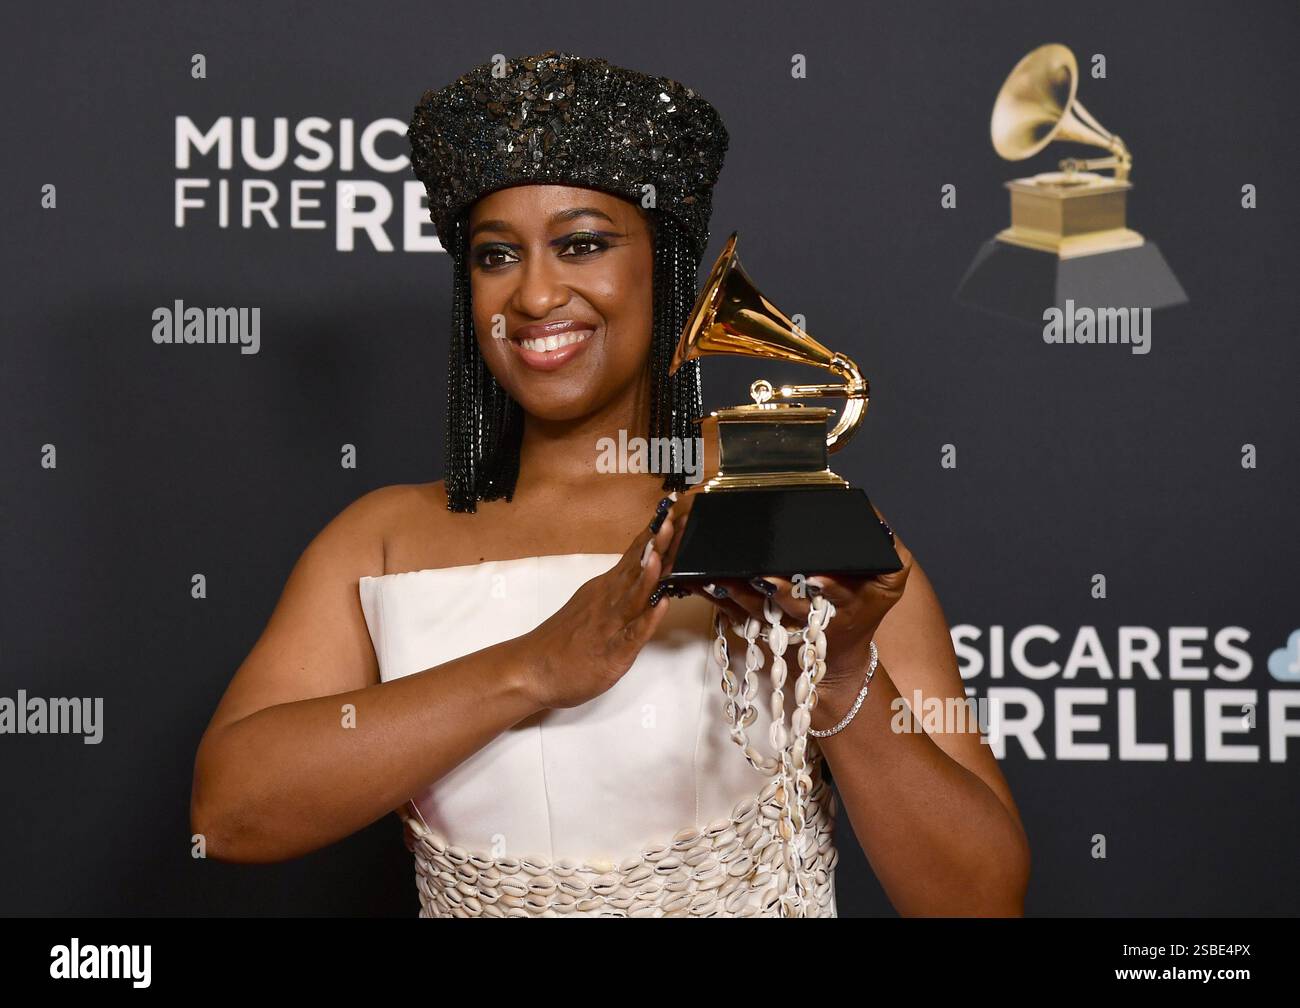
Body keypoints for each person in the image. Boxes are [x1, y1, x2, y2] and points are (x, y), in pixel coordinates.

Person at [190, 50, 1029, 917]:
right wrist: (534, 667)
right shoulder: (382, 538)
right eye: (495, 256)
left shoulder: (782, 513)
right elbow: (227, 815)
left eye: (582, 244)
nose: (535, 293)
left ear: (662, 265)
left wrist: (842, 671)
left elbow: (980, 899)